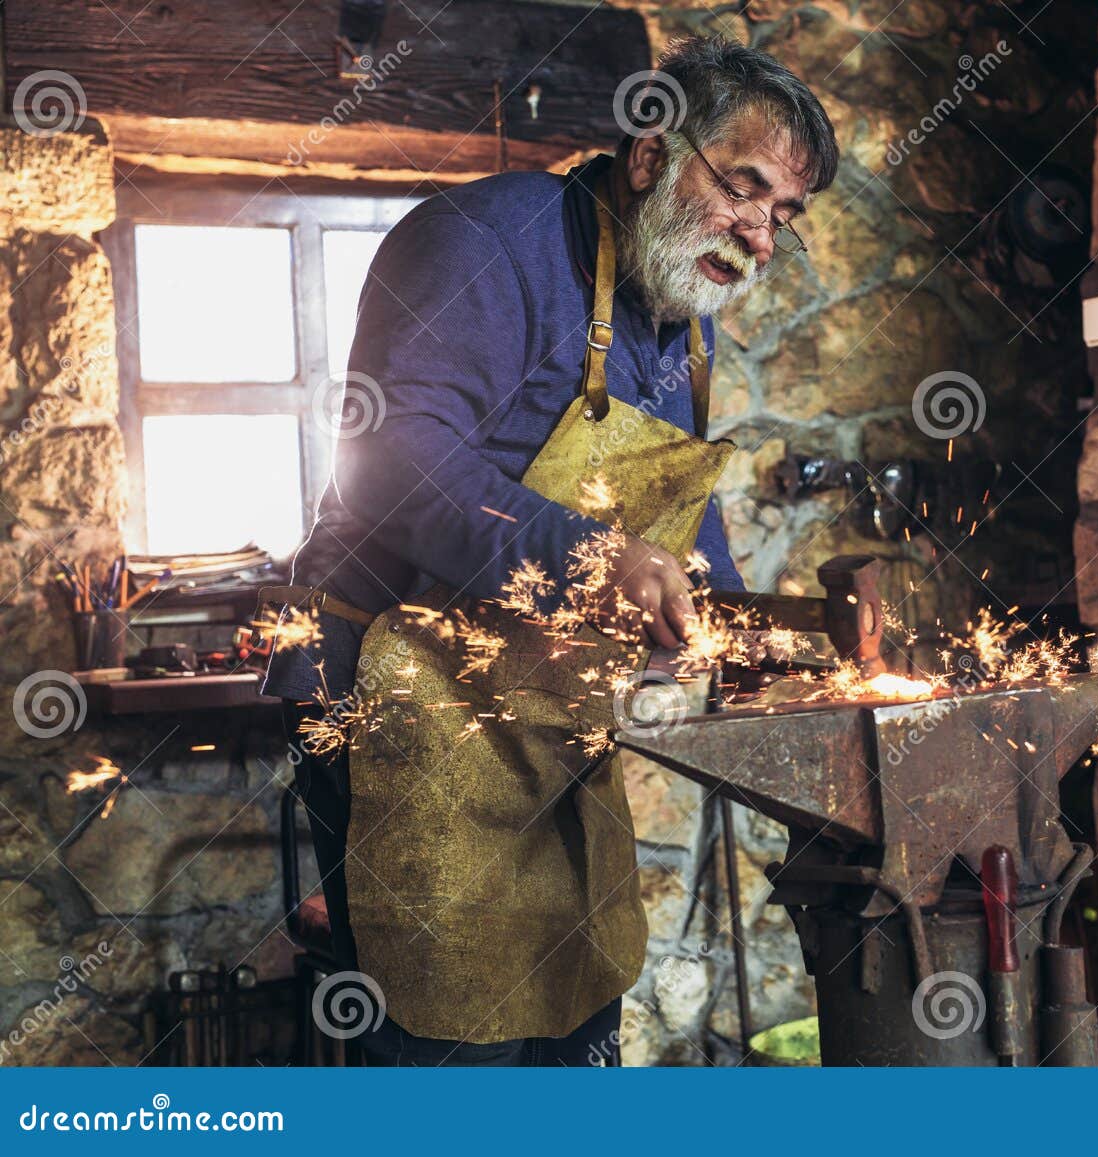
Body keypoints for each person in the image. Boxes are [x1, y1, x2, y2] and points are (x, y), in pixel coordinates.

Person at [262, 35, 837, 1066]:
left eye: (781, 216)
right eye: (743, 187)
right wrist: (592, 560)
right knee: (451, 1039)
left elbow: (678, 532)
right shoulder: (483, 241)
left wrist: (759, 641)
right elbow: (393, 462)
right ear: (654, 150)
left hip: (537, 720)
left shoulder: (672, 325)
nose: (756, 233)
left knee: (574, 1012)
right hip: (393, 700)